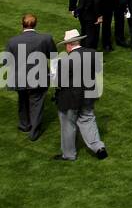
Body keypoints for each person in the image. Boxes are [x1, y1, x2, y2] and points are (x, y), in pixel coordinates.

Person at [52, 28, 107, 161]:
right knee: (88, 119)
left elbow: (58, 82)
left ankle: (69, 154)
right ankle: (98, 147)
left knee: (68, 125)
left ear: (69, 45)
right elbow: (98, 70)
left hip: (69, 98)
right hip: (88, 95)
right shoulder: (93, 53)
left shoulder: (64, 61)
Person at [6, 13, 54, 141]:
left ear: (22, 24)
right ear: (35, 24)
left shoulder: (12, 41)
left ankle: (24, 125)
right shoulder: (46, 38)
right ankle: (34, 132)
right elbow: (53, 56)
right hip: (39, 77)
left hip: (19, 78)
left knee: (22, 100)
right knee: (36, 103)